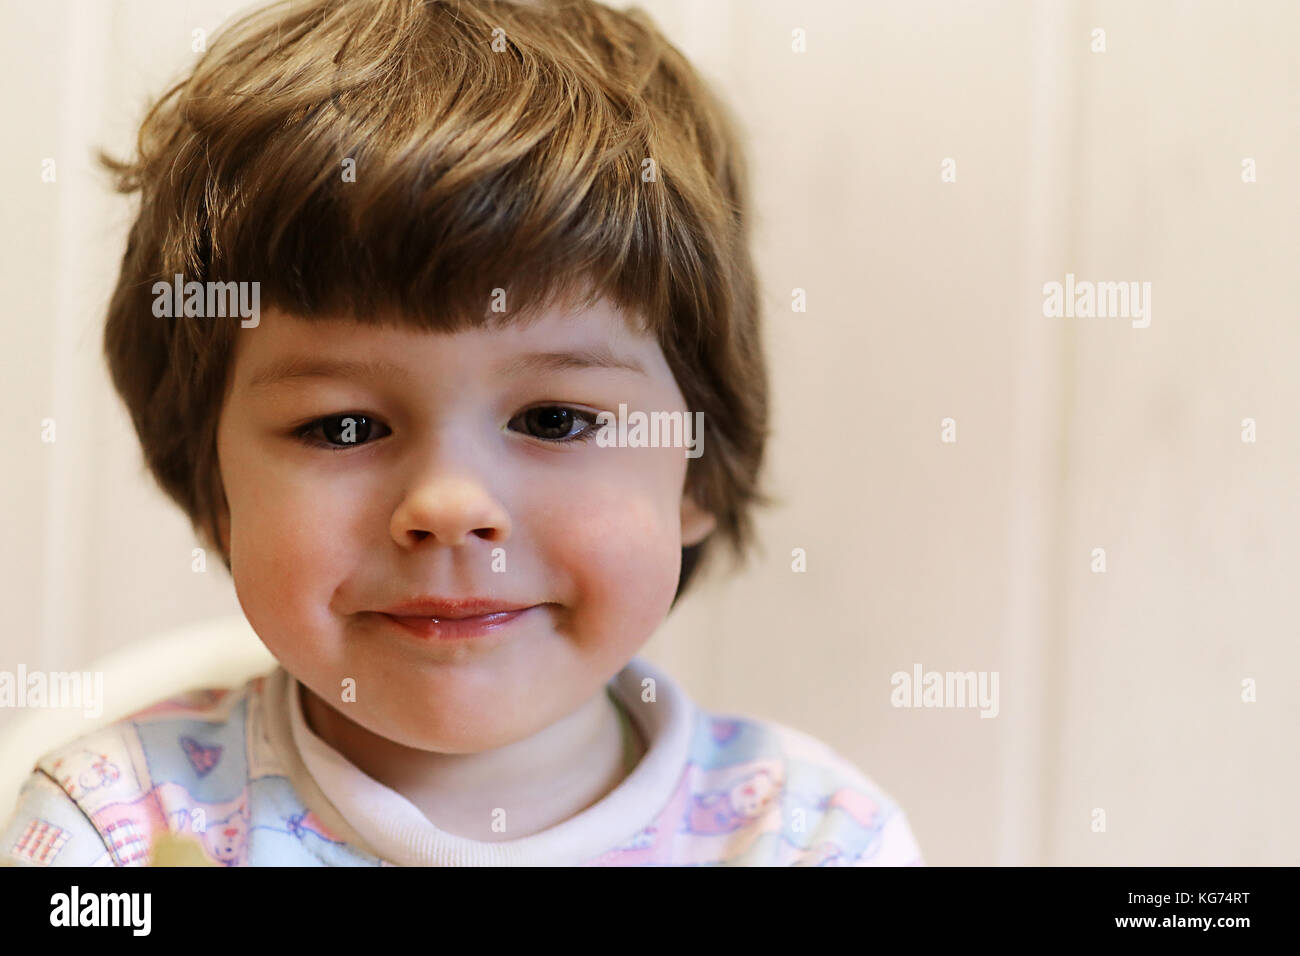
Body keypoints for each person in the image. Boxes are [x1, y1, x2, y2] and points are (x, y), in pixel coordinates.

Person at [0, 0, 923, 866]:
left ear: (698, 473)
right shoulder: (114, 828)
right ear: (213, 490)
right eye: (344, 425)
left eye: (554, 419)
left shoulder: (808, 841)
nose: (447, 506)